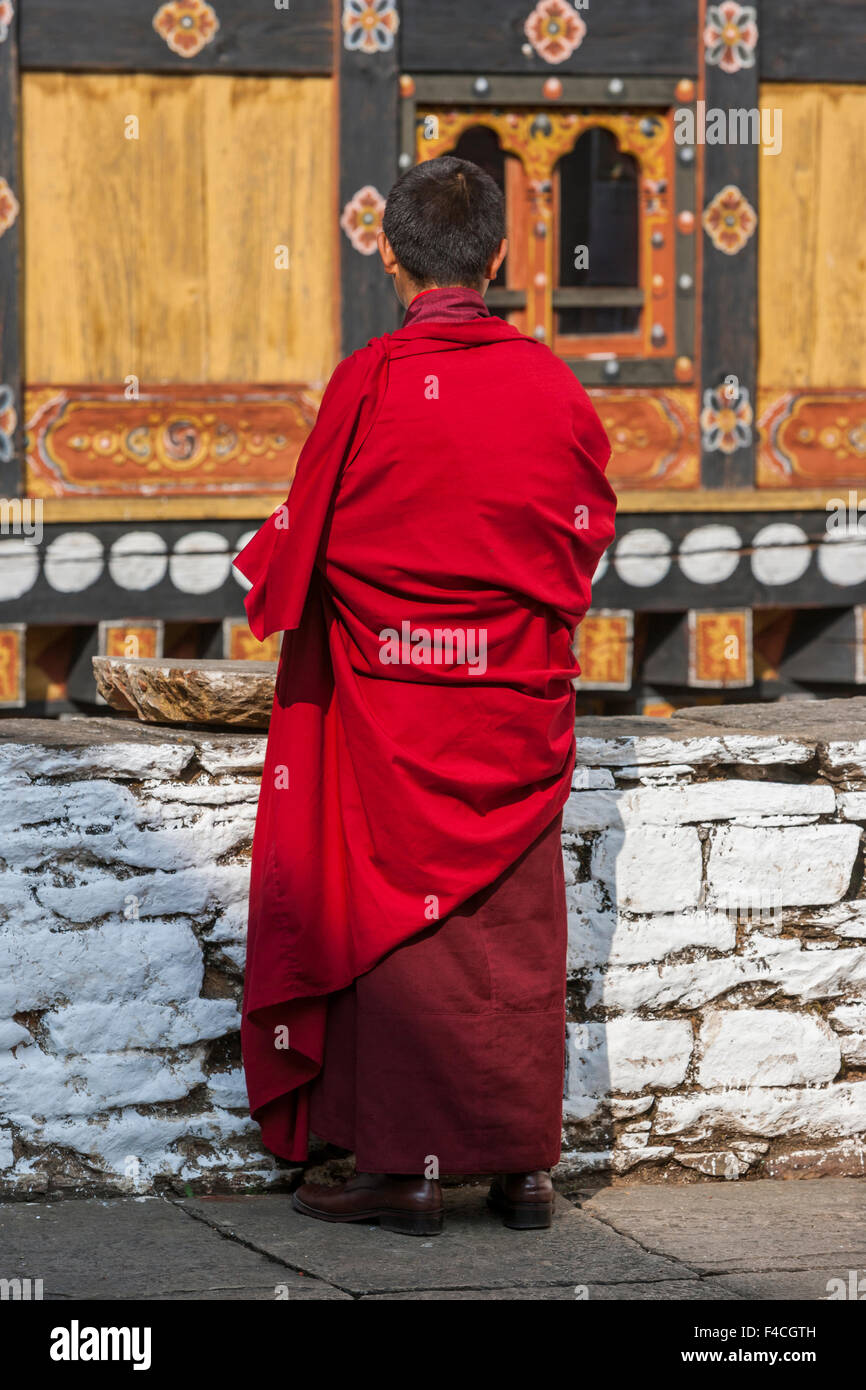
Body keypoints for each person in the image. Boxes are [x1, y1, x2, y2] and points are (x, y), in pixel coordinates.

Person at [232, 155, 616, 1237]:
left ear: (388, 253)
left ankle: (405, 1173)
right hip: (512, 712)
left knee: (401, 927)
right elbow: (582, 542)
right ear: (498, 256)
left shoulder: (372, 381)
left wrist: (280, 555)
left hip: (396, 711)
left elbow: (304, 549)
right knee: (510, 926)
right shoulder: (552, 387)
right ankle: (521, 1169)